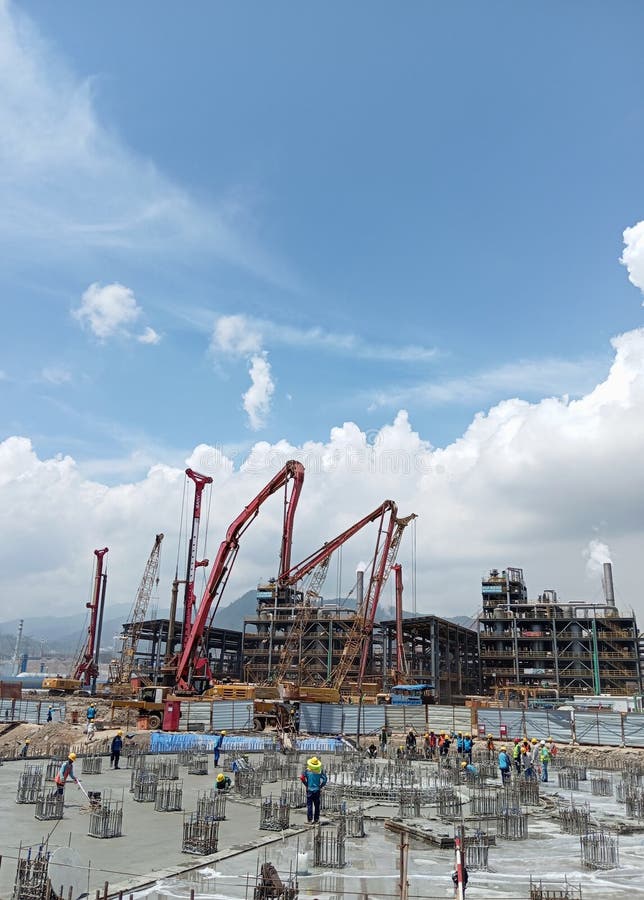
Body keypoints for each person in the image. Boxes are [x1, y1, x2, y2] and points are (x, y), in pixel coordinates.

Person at [300, 756, 327, 824]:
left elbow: (302, 777)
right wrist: (321, 786)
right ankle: (316, 819)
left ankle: (310, 820)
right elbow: (325, 779)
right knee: (317, 805)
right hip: (317, 790)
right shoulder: (320, 771)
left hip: (309, 790)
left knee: (309, 805)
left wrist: (306, 784)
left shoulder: (307, 771)